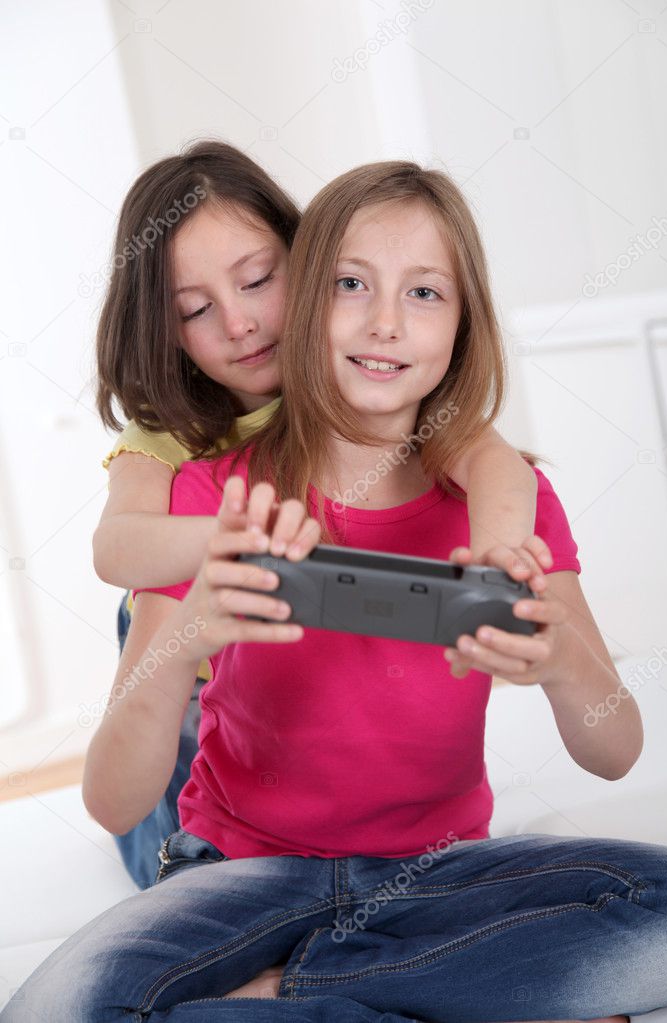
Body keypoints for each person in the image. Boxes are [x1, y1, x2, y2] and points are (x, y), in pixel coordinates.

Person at [7, 161, 667, 1023]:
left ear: (465, 323)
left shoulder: (511, 502)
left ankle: (298, 991)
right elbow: (112, 798)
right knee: (57, 1010)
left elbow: (615, 748)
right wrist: (190, 636)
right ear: (308, 303)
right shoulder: (219, 495)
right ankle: (468, 995)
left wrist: (559, 661)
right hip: (246, 872)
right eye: (352, 284)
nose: (387, 321)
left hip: (433, 874)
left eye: (426, 293)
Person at [92, 142, 550, 890]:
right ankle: (169, 864)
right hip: (194, 604)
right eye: (198, 310)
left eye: (259, 281)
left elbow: (492, 457)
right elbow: (116, 548)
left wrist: (496, 564)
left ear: (308, 262)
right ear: (165, 332)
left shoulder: (356, 372)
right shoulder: (170, 437)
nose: (239, 323)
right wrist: (236, 542)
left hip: (297, 621)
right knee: (174, 815)